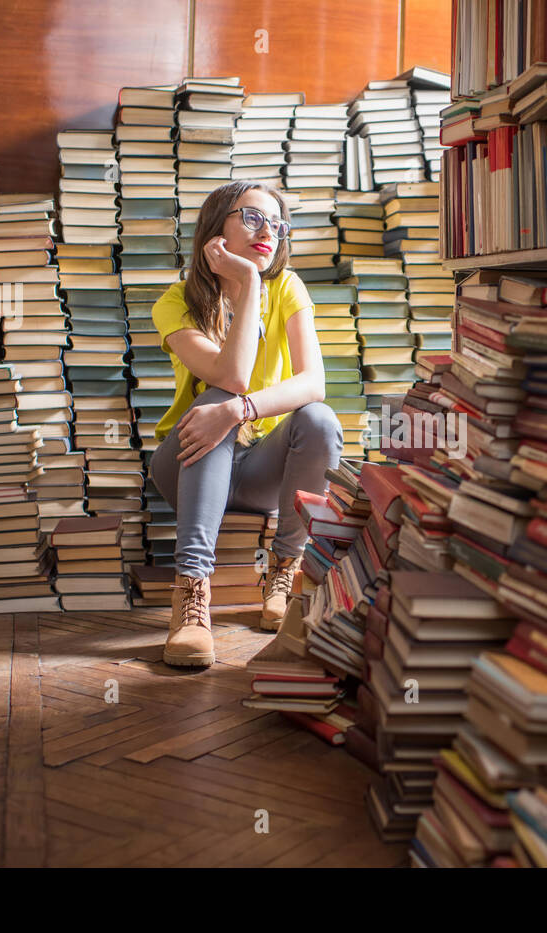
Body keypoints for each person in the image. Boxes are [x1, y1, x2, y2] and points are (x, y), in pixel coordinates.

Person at [149, 181, 343, 667]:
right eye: (252, 218)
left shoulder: (289, 287)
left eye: (277, 225)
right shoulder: (175, 301)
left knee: (317, 420)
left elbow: (314, 382)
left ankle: (284, 570)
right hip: (187, 464)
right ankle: (192, 595)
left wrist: (242, 411)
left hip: (259, 469)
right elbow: (232, 377)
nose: (268, 233)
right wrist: (250, 284)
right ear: (216, 229)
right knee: (215, 399)